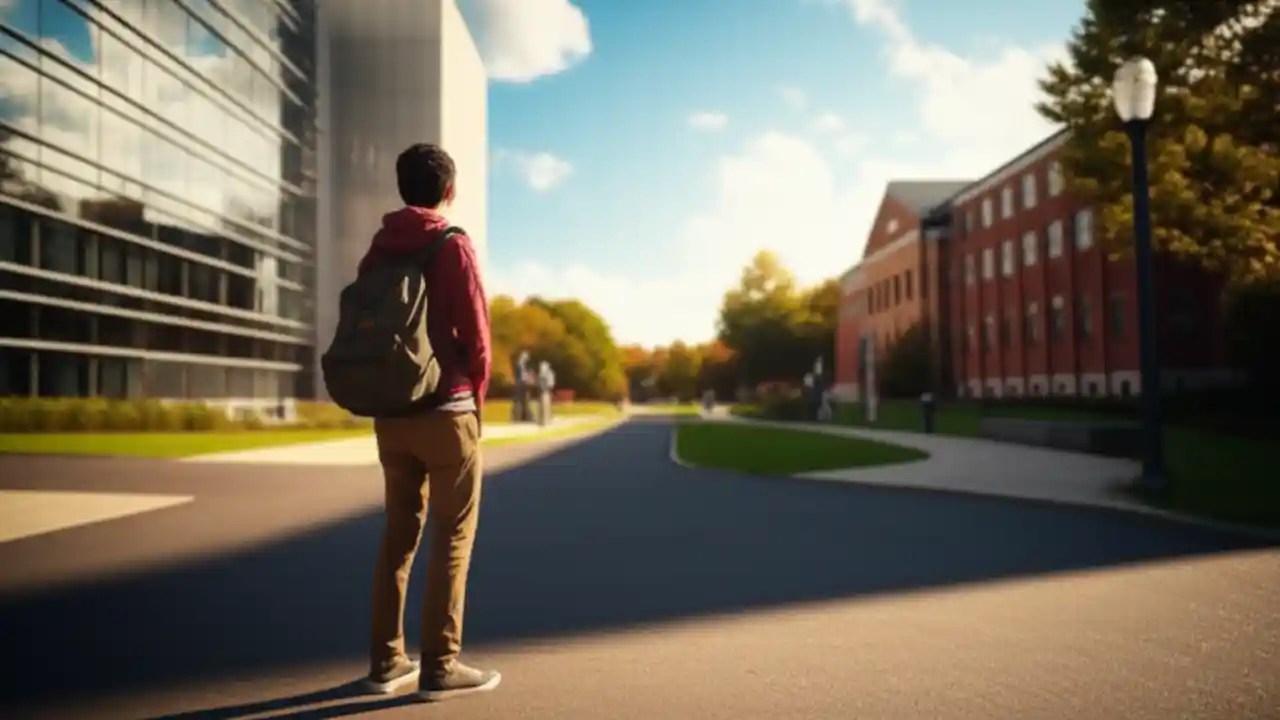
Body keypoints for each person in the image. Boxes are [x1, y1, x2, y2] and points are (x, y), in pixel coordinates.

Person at [354, 143, 500, 702]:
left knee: (398, 536)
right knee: (453, 536)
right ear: (449, 190)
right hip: (446, 412)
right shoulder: (451, 244)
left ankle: (386, 661)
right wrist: (476, 402)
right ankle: (441, 665)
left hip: (392, 415)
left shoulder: (378, 250)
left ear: (401, 188)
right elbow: (478, 337)